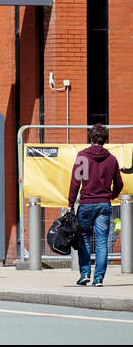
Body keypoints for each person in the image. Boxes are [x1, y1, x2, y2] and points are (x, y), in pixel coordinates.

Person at [68, 123, 123, 287]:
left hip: (85, 204)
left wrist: (71, 202)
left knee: (84, 238)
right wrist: (112, 195)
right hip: (103, 204)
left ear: (91, 138)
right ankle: (98, 278)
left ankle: (85, 273)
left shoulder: (83, 157)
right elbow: (119, 184)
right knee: (101, 241)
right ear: (105, 140)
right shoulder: (112, 159)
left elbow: (75, 182)